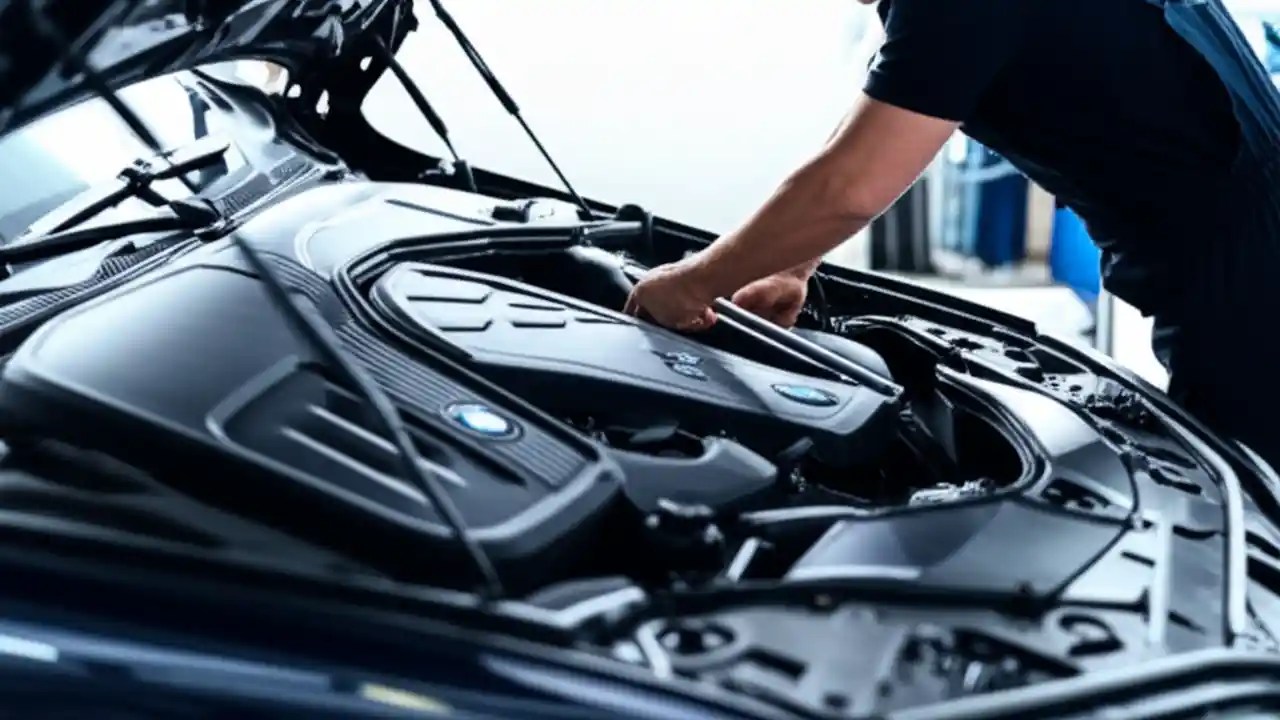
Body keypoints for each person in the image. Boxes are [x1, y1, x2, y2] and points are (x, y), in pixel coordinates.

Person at [625, 0, 1280, 467]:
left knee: (1252, 541)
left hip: (1250, 286)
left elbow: (851, 183)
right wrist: (794, 265)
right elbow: (894, 112)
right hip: (1240, 254)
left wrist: (697, 283)